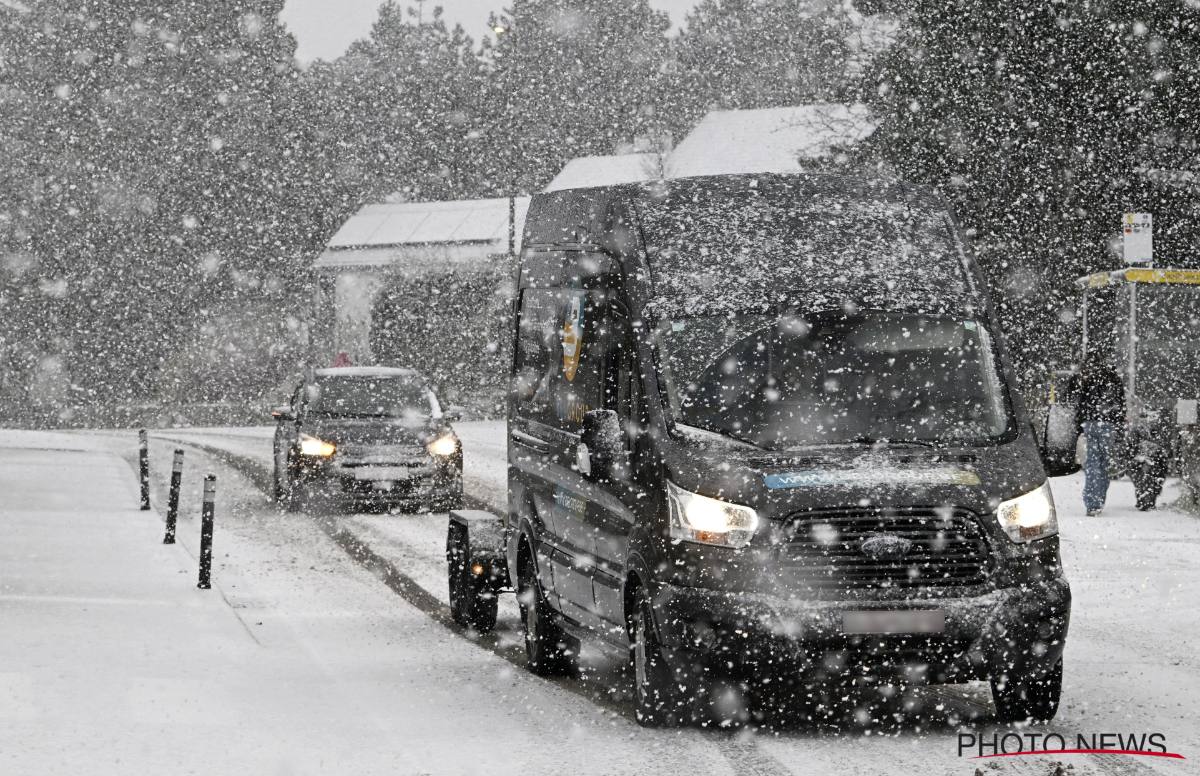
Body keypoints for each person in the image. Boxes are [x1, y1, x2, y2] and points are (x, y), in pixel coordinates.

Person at [1074, 353, 1126, 516]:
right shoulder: (1114, 379)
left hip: (1090, 423)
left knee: (1093, 464)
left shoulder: (1089, 380)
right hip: (1108, 425)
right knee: (1103, 464)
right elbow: (1121, 404)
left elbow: (1081, 404)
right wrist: (1119, 425)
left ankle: (1092, 503)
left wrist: (1079, 426)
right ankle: (1099, 499)